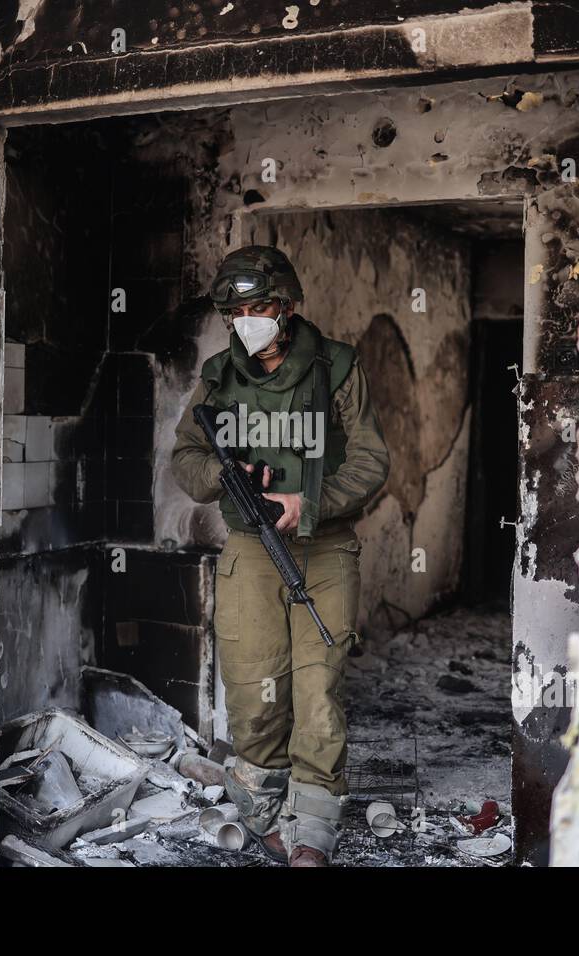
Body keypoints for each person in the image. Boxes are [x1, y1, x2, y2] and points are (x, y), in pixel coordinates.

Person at [170, 245, 390, 866]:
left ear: (287, 306)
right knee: (253, 690)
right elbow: (185, 460)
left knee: (318, 689)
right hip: (249, 552)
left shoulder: (337, 367)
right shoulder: (217, 376)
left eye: (259, 305)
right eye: (235, 310)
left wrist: (309, 503)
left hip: (322, 551)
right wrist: (222, 471)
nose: (247, 318)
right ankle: (264, 815)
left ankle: (314, 828)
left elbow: (373, 460)